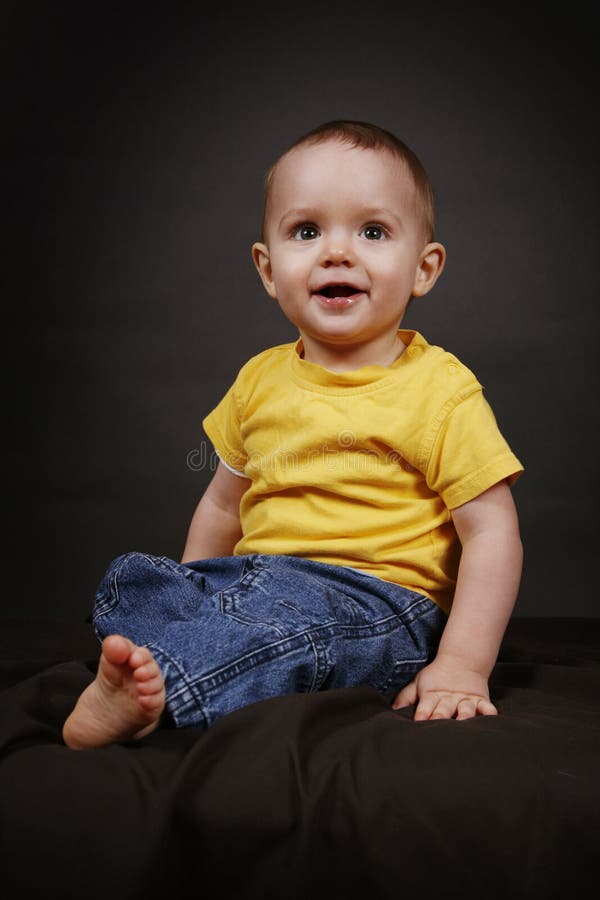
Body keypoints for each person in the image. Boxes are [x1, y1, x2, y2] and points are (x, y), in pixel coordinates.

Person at [62, 120, 523, 749]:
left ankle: (157, 694)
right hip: (253, 580)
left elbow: (492, 531)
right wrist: (194, 595)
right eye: (307, 231)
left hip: (375, 605)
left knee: (284, 635)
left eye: (373, 231)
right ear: (268, 268)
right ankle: (182, 652)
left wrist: (463, 666)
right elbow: (224, 503)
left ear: (424, 268)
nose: (337, 252)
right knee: (133, 577)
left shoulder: (440, 391)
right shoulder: (259, 379)